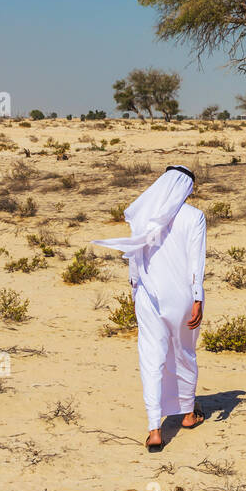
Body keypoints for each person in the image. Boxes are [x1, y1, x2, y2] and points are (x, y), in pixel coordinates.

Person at [93, 165, 206, 451]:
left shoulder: (145, 217)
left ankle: (154, 429)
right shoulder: (194, 217)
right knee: (184, 353)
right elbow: (197, 263)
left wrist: (134, 292)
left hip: (146, 295)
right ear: (187, 188)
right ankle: (189, 414)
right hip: (182, 298)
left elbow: (134, 258)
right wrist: (198, 297)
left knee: (150, 358)